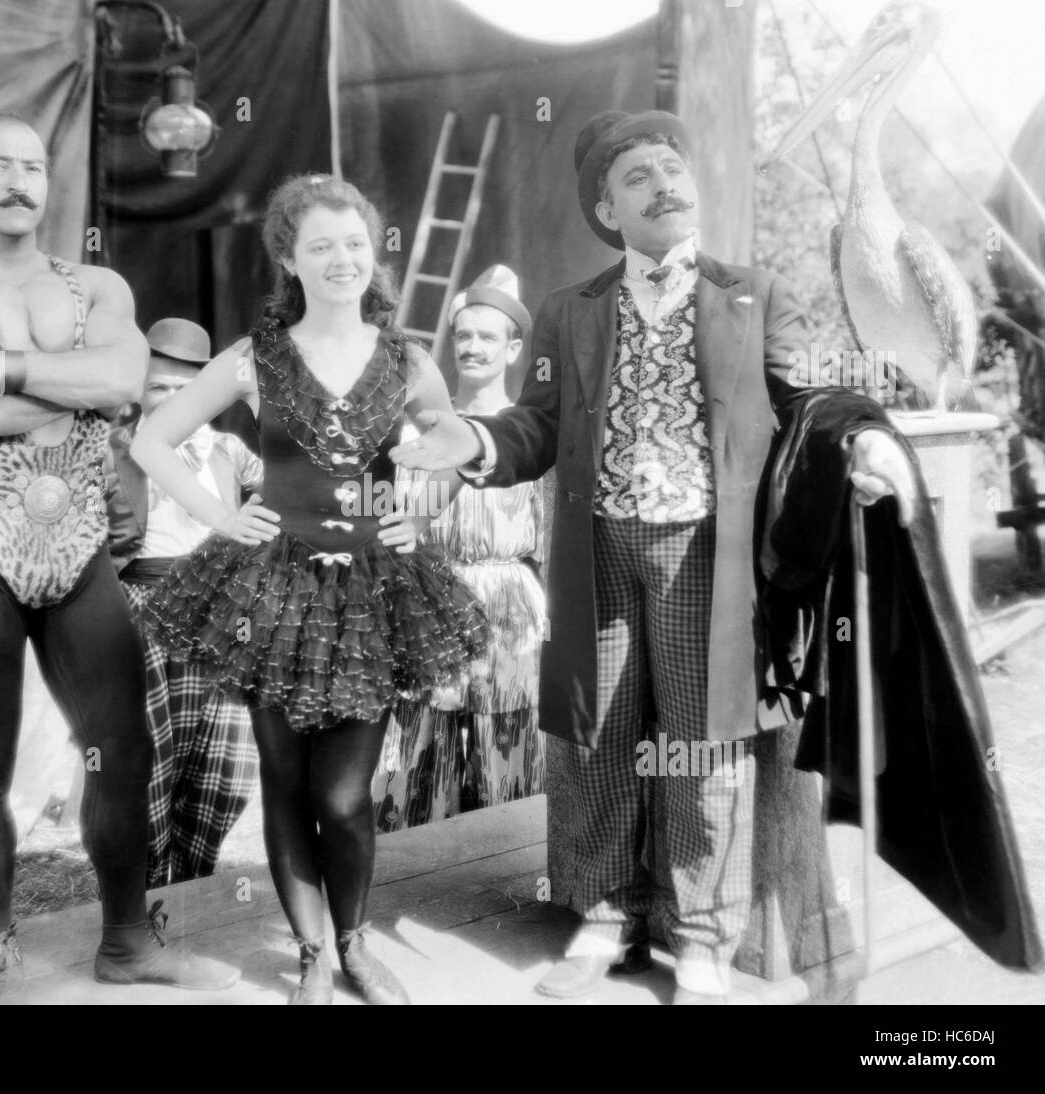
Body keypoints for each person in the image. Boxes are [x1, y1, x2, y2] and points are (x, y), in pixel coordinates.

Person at [392, 110, 917, 1003]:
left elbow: (801, 404)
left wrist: (861, 442)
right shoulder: (569, 309)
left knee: (701, 742)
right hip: (594, 550)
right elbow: (541, 427)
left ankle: (704, 932)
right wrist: (475, 441)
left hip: (706, 554)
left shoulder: (753, 293)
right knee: (595, 735)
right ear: (606, 206)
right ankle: (606, 916)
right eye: (637, 177)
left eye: (672, 167)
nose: (664, 185)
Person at [0, 111, 239, 1002]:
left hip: (79, 546)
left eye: (33, 165)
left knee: (122, 746)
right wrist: (67, 386)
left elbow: (123, 381)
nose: (19, 180)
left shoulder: (98, 285)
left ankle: (126, 942)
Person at [131, 174, 489, 1005]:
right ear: (290, 257)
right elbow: (153, 438)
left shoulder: (407, 359)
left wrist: (420, 513)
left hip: (372, 593)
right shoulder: (254, 357)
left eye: (354, 243)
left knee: (343, 791)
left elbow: (456, 445)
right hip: (270, 591)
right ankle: (310, 956)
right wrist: (221, 518)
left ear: (374, 253)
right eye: (320, 245)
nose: (341, 259)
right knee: (285, 780)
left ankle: (356, 940)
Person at [373, 265, 546, 830]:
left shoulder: (528, 435)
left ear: (514, 347)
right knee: (424, 744)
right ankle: (413, 872)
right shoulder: (413, 432)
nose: (473, 348)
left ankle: (509, 865)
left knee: (508, 745)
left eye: (488, 337)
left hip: (509, 601)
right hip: (433, 595)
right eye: (464, 335)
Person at [105, 317, 263, 886]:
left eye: (185, 390)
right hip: (144, 605)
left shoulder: (228, 450)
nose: (173, 400)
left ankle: (194, 876)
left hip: (219, 612)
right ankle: (143, 888)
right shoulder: (120, 450)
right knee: (151, 754)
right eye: (158, 388)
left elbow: (288, 482)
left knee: (225, 756)